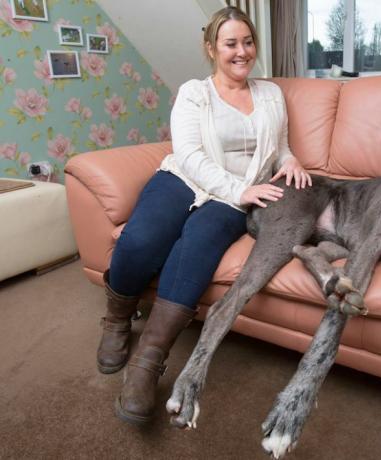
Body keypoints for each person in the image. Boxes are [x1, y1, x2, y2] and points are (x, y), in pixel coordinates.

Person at [96, 6, 312, 426]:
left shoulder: (271, 94)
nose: (242, 51)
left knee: (195, 248)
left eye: (248, 42)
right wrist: (240, 189)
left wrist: (292, 162)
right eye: (231, 43)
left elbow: (278, 146)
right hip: (187, 179)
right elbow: (191, 156)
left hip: (236, 196)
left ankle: (148, 364)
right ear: (211, 47)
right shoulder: (195, 92)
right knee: (141, 241)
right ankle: (117, 317)